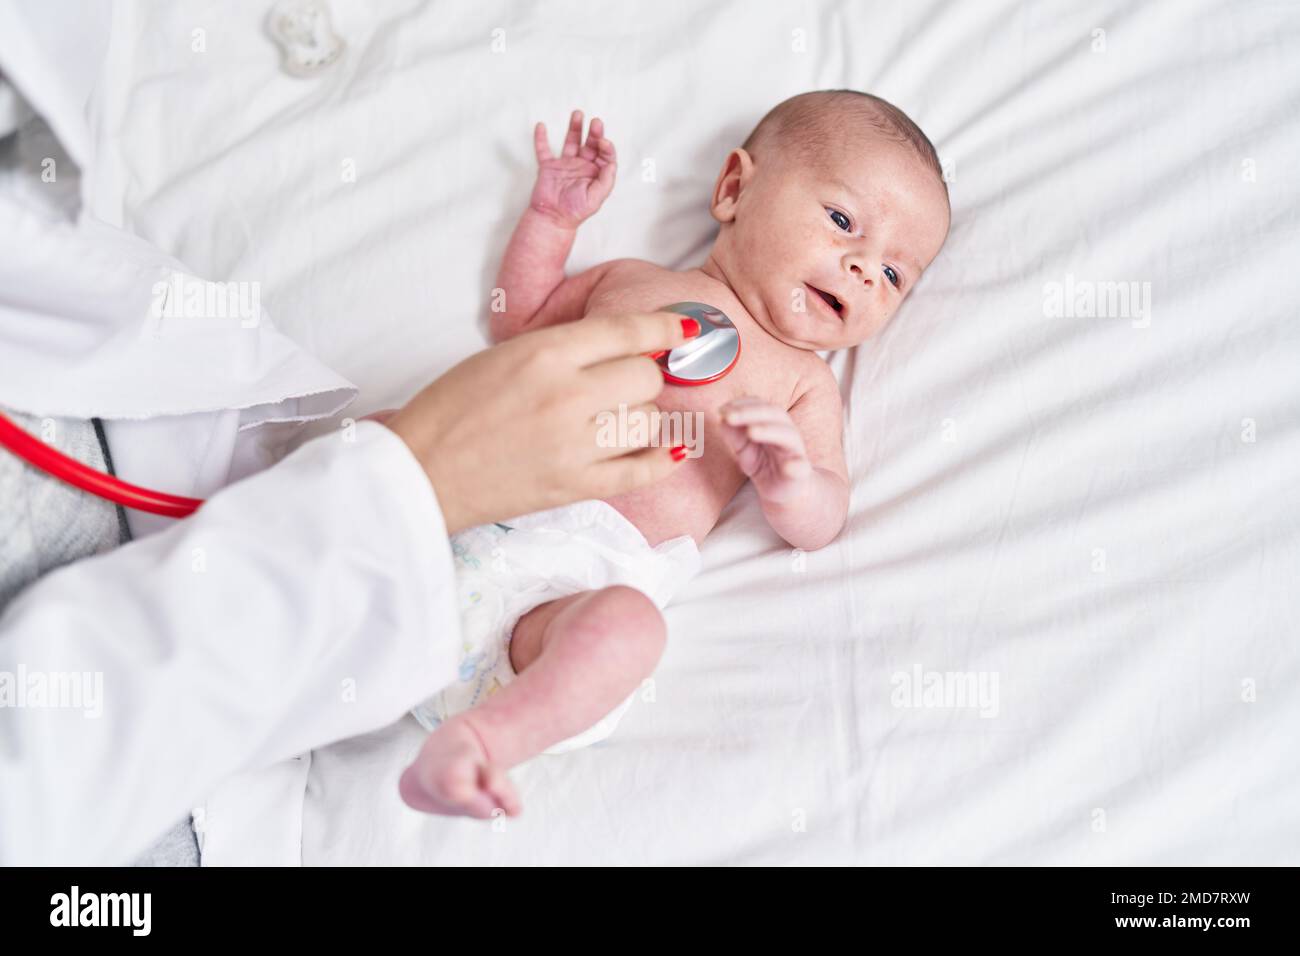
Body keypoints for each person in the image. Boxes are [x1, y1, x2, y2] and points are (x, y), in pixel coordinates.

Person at [0, 4, 698, 865]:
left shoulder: (805, 382)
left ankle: (489, 739)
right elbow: (522, 317)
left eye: (895, 270)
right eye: (840, 219)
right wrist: (551, 227)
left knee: (628, 631)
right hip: (423, 545)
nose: (861, 267)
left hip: (544, 589)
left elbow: (817, 512)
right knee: (385, 437)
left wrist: (787, 467)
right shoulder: (642, 281)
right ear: (739, 188)